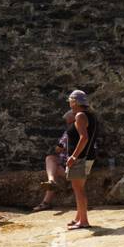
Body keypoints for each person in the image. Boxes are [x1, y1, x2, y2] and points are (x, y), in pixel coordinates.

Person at [63, 90, 98, 230]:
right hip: (87, 156)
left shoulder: (80, 116)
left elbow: (84, 138)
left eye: (71, 101)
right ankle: (79, 217)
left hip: (80, 158)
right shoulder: (90, 115)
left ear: (75, 102)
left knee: (78, 189)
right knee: (79, 187)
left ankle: (83, 221)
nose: (70, 104)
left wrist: (73, 157)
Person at [32, 109, 77, 212]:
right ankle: (51, 181)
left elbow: (59, 148)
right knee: (50, 159)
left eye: (68, 121)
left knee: (54, 168)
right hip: (66, 164)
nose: (67, 123)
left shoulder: (74, 132)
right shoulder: (74, 131)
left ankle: (46, 202)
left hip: (74, 168)